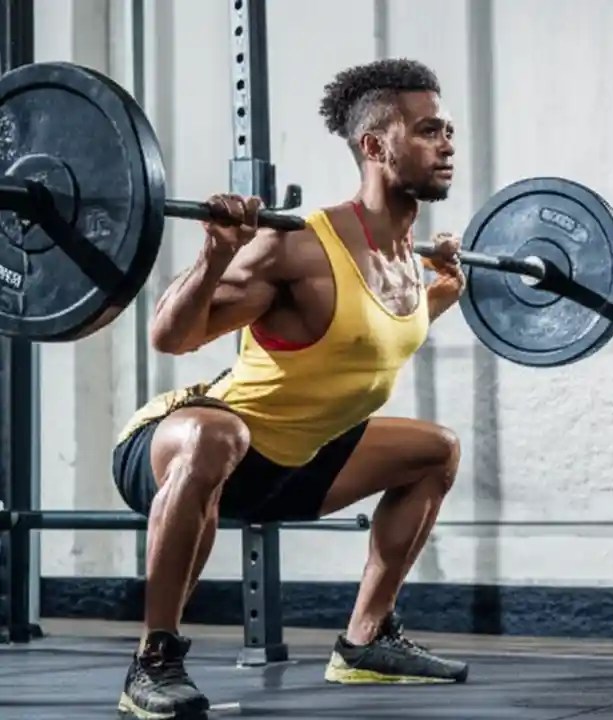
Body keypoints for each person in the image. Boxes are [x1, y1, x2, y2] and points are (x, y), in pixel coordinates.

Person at [111, 58, 472, 720]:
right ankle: (152, 661)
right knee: (222, 434)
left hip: (286, 467)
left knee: (436, 451)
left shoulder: (405, 265)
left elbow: (369, 340)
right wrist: (217, 253)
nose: (447, 144)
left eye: (448, 130)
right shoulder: (301, 248)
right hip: (182, 447)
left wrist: (444, 290)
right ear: (374, 145)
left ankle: (365, 641)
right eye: (428, 131)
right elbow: (171, 336)